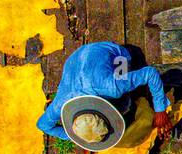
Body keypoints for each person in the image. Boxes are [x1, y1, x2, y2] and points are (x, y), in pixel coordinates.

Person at [38, 42, 173, 146]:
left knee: (124, 102)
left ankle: (126, 60)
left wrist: (160, 110)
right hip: (76, 58)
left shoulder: (112, 87)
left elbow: (150, 73)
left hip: (111, 52)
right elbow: (42, 125)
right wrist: (78, 137)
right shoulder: (60, 103)